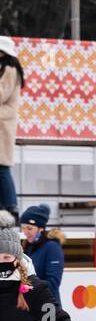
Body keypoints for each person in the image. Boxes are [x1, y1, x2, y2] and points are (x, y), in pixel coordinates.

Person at [0, 36, 24, 220]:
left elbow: (1, 94)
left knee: (2, 167)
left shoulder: (8, 70)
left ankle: (10, 205)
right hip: (3, 122)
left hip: (3, 124)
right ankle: (6, 205)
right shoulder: (9, 69)